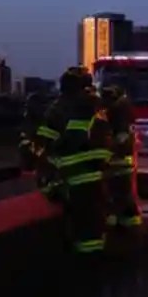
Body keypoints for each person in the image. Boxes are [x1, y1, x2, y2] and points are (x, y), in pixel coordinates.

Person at [40, 67, 112, 255]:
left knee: (80, 226)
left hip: (73, 176)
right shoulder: (97, 106)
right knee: (96, 223)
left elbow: (46, 143)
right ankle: (99, 264)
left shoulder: (58, 109)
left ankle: (83, 266)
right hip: (98, 174)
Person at [100, 84, 142, 235]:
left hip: (115, 166)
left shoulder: (118, 114)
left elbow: (119, 140)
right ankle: (132, 232)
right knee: (126, 201)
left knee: (113, 201)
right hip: (123, 165)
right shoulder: (124, 111)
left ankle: (114, 233)